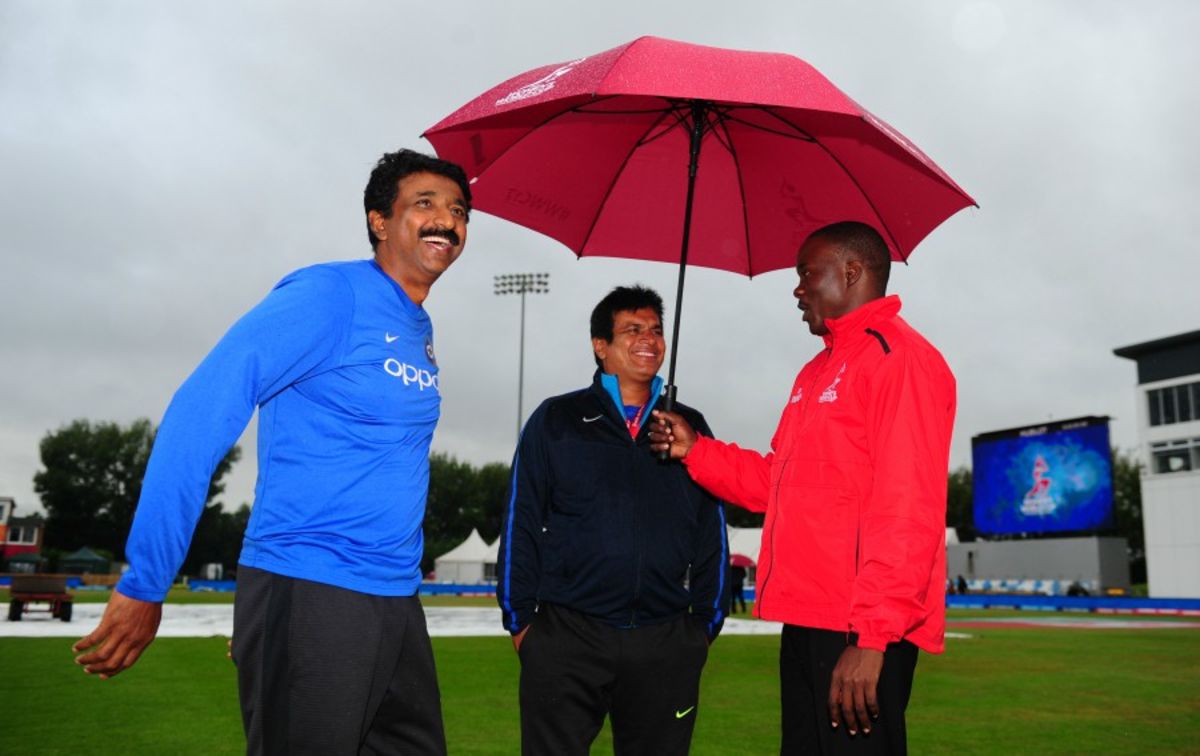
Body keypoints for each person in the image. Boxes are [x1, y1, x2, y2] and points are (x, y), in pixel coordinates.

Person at [72, 148, 472, 755]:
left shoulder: (418, 328)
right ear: (378, 221)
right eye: (425, 204)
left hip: (394, 600)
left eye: (459, 210)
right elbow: (200, 410)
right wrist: (148, 579)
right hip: (312, 586)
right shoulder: (328, 295)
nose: (447, 219)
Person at [650, 221, 956, 755]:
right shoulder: (816, 371)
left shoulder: (899, 360)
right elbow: (779, 484)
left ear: (852, 271)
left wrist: (873, 638)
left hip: (859, 628)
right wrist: (695, 450)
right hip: (811, 620)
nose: (797, 289)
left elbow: (908, 509)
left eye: (805, 273)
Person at [498, 285, 730, 756]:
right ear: (600, 345)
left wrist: (703, 626)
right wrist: (521, 623)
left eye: (656, 330)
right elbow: (521, 519)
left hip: (665, 641)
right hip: (567, 637)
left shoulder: (688, 425)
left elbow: (712, 532)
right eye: (632, 329)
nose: (649, 339)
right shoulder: (556, 419)